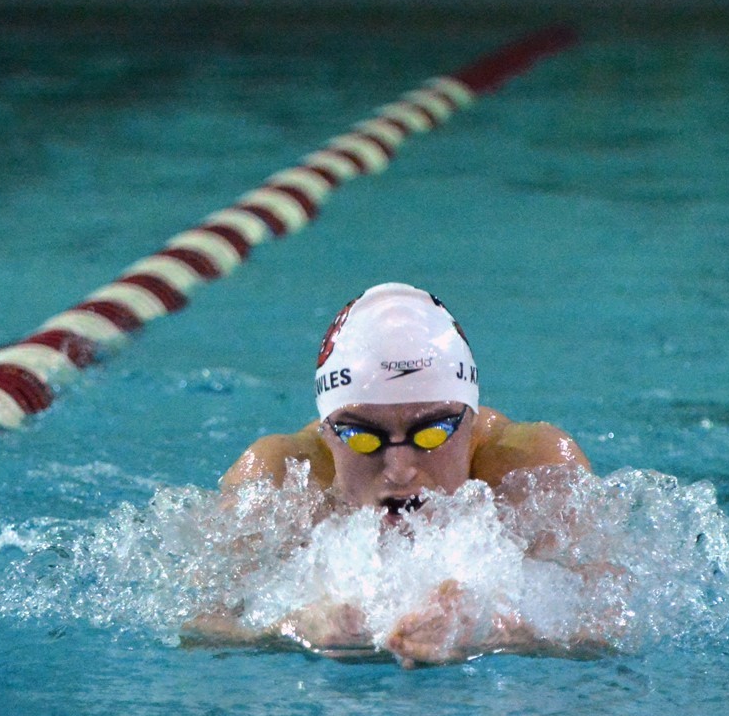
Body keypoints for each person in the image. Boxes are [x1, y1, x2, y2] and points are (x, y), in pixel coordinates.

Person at [182, 282, 616, 667]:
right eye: (363, 437)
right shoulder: (282, 477)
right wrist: (293, 630)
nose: (400, 469)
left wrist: (497, 634)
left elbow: (612, 628)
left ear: (470, 419)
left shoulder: (532, 470)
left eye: (431, 433)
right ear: (327, 431)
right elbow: (198, 629)